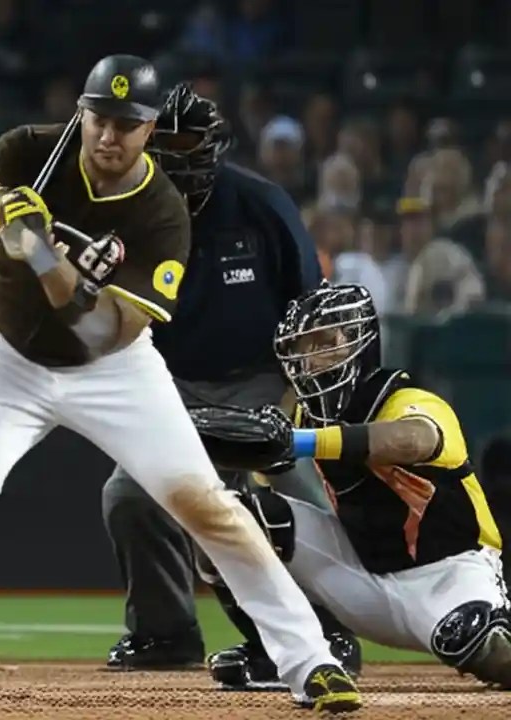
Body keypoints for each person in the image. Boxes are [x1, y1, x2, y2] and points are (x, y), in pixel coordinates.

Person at [0, 56, 360, 713]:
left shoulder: (162, 210)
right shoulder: (37, 148)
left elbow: (101, 330)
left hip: (117, 368)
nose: (110, 137)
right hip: (9, 357)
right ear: (81, 114)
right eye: (99, 119)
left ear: (148, 131)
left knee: (208, 504)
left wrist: (46, 255)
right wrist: (4, 210)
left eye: (128, 125)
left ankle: (311, 661)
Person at [102, 83, 361, 684]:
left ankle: (326, 631)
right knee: (129, 497)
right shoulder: (126, 215)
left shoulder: (261, 205)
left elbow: (313, 314)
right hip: (169, 385)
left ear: (212, 149)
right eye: (160, 145)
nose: (172, 158)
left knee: (284, 497)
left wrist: (293, 406)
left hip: (262, 382)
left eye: (185, 145)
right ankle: (164, 632)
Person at [201, 282, 511, 690]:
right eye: (301, 351)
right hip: (359, 569)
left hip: (447, 576)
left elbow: (414, 440)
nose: (310, 362)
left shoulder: (408, 400)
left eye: (323, 344)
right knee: (224, 517)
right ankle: (290, 650)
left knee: (485, 649)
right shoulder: (306, 415)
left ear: (359, 345)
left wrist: (297, 443)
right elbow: (263, 476)